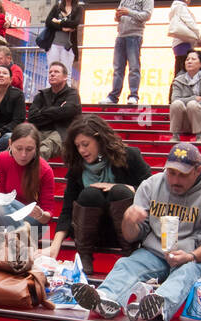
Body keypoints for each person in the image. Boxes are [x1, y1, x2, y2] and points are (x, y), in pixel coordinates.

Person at [72, 143, 201, 321]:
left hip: (194, 256)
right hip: (155, 252)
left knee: (186, 273)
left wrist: (190, 256)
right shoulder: (152, 185)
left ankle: (158, 305)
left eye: (182, 175)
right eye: (171, 173)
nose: (175, 180)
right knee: (128, 264)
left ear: (197, 170)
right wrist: (128, 222)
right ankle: (106, 298)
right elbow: (133, 236)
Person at [41, 115, 150, 275]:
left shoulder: (129, 156)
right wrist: (55, 245)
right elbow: (67, 209)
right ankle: (85, 256)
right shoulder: (77, 167)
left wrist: (122, 187)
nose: (82, 150)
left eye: (85, 144)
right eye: (77, 146)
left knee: (119, 191)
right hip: (91, 233)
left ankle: (130, 253)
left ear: (99, 139)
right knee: (90, 193)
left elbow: (152, 189)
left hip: (127, 230)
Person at [0, 123, 55, 236]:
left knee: (3, 202)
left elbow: (47, 216)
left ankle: (19, 242)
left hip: (31, 225)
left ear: (37, 148)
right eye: (18, 148)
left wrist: (40, 214)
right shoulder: (2, 159)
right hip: (4, 217)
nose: (23, 154)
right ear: (10, 144)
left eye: (29, 149)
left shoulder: (45, 170)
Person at [105, 0, 153, 106]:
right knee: (118, 67)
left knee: (134, 67)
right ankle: (113, 97)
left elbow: (147, 15)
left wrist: (129, 12)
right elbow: (119, 16)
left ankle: (133, 95)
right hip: (121, 34)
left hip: (135, 35)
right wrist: (118, 16)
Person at [26, 61, 82, 159]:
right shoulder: (41, 95)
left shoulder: (72, 94)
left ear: (65, 77)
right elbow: (32, 117)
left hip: (63, 132)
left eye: (56, 72)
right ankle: (5, 157)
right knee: (23, 141)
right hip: (41, 130)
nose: (52, 74)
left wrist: (42, 111)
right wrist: (58, 111)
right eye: (50, 72)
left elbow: (69, 111)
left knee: (47, 145)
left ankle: (32, 161)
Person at [168, 49, 201, 142]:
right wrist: (193, 98)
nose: (189, 61)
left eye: (193, 59)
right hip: (184, 120)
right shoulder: (178, 80)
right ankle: (175, 136)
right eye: (187, 59)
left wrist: (191, 106)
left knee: (192, 105)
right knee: (177, 104)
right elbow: (174, 100)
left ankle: (199, 136)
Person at [44, 0, 84, 75]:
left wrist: (58, 22)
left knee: (66, 73)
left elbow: (75, 23)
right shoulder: (57, 7)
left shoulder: (78, 9)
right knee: (51, 72)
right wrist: (62, 28)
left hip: (68, 46)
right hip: (53, 44)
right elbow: (48, 22)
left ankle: (66, 90)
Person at [167, 0, 201, 74]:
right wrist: (199, 37)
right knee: (184, 72)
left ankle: (175, 88)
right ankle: (177, 88)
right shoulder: (181, 7)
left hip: (178, 43)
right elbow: (191, 24)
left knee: (179, 70)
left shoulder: (174, 7)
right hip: (183, 43)